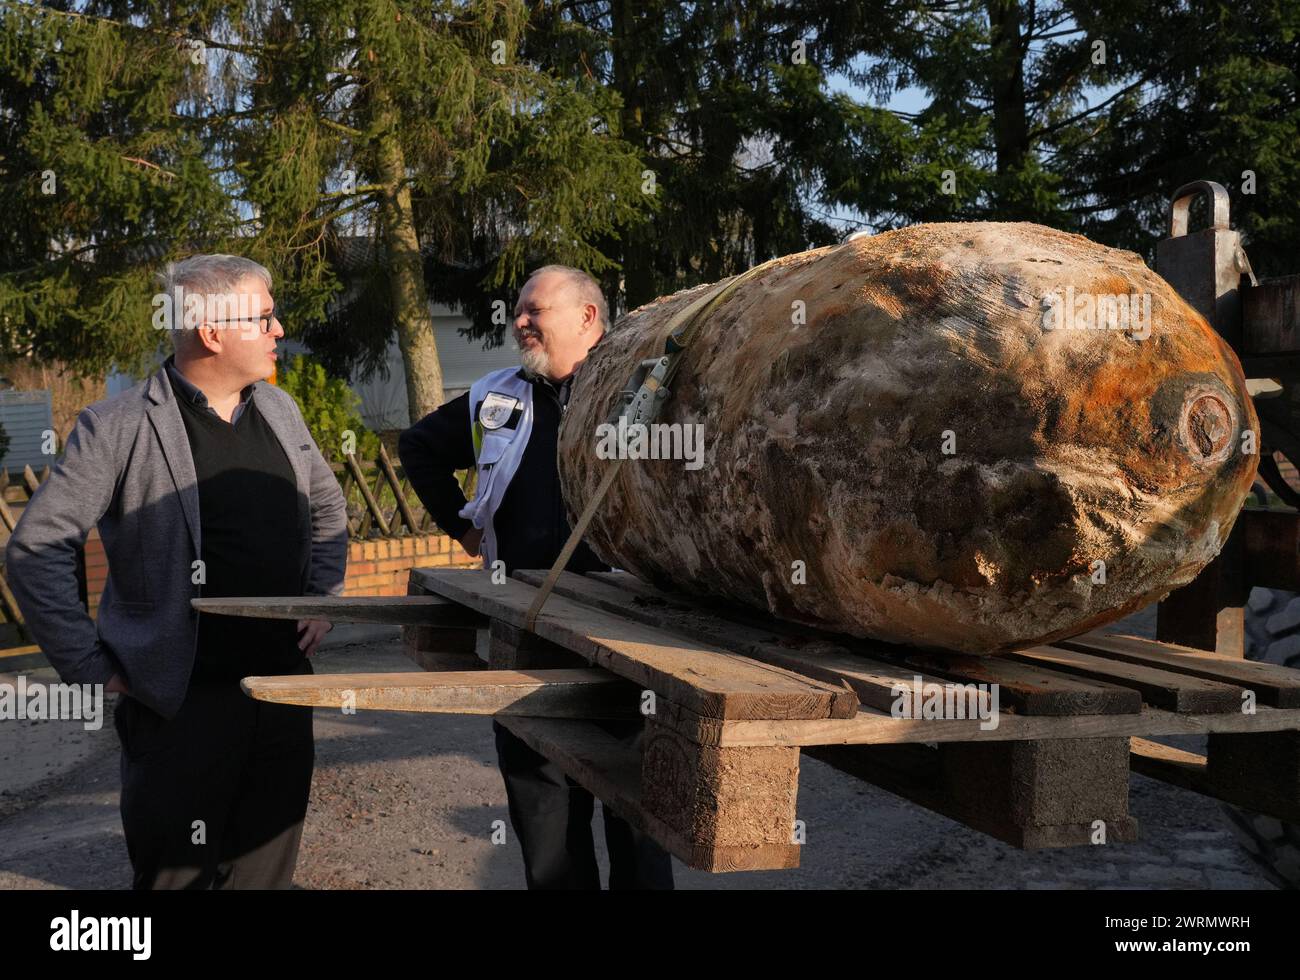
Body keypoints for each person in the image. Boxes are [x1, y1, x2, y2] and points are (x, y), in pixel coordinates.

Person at [5, 254, 348, 889]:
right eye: (266, 316)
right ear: (213, 333)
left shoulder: (279, 410)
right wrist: (89, 664)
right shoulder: (117, 426)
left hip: (279, 692)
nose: (279, 330)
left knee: (265, 872)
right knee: (174, 880)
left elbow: (327, 505)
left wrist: (322, 596)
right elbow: (36, 549)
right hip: (178, 707)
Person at [399, 265, 674, 889]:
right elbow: (418, 447)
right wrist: (464, 530)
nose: (518, 321)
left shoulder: (643, 394)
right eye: (517, 309)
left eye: (534, 310)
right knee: (544, 812)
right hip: (522, 632)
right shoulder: (496, 396)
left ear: (587, 318)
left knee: (636, 817)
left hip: (627, 637)